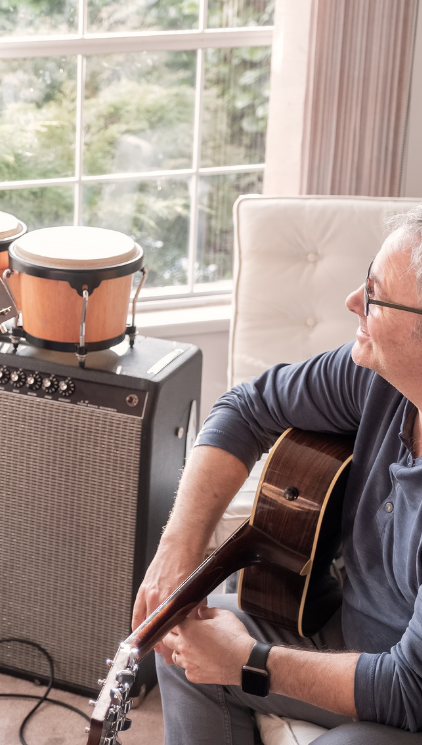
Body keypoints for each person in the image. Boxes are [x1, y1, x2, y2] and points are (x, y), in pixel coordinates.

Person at [132, 205, 422, 743]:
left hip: (409, 696)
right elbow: (245, 408)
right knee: (184, 640)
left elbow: (409, 690)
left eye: (375, 295)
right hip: (349, 634)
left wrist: (251, 661)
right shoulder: (377, 374)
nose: (352, 302)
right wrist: (178, 547)